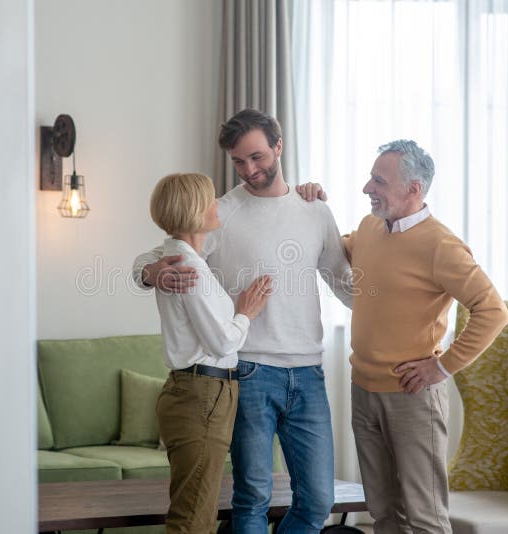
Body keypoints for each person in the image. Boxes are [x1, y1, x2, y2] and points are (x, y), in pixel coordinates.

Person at [133, 109, 354, 533]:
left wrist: (395, 299)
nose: (250, 170)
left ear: (278, 146)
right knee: (251, 497)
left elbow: (344, 283)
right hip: (248, 372)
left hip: (308, 372)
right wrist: (149, 272)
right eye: (238, 161)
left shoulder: (314, 210)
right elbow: (162, 252)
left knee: (318, 500)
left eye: (257, 157)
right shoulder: (220, 211)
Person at [343, 140, 508, 533]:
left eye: (379, 181)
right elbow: (332, 249)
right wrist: (308, 203)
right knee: (383, 513)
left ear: (413, 190)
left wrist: (443, 366)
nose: (368, 188)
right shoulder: (368, 228)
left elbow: (493, 311)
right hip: (362, 391)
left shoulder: (441, 245)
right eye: (371, 178)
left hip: (413, 396)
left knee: (425, 517)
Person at [149, 172, 272, 534]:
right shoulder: (190, 270)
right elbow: (220, 342)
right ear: (194, 210)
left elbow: (144, 264)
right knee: (193, 519)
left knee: (193, 511)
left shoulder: (172, 257)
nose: (217, 205)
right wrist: (245, 313)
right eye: (211, 200)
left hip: (195, 393)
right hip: (203, 396)